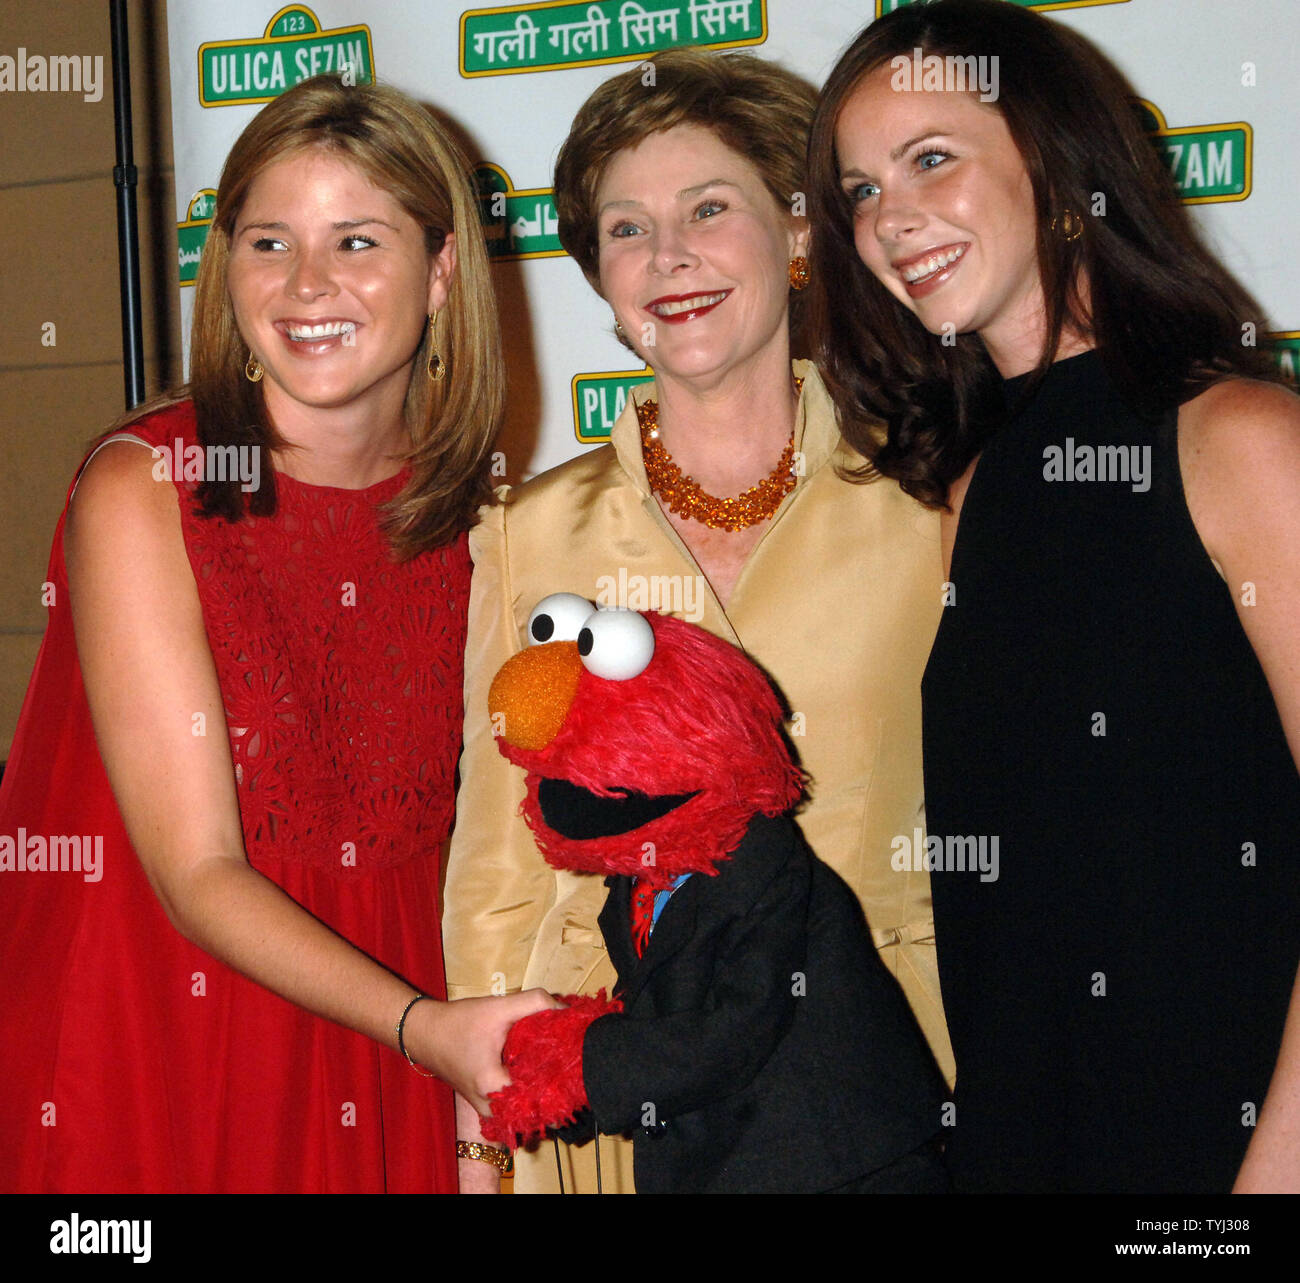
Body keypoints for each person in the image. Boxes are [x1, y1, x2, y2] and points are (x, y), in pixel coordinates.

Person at [0, 74, 552, 1194]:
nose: (308, 284)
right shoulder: (148, 483)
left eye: (357, 240)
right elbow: (197, 871)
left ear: (442, 270)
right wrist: (426, 1030)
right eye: (267, 241)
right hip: (170, 1032)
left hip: (403, 1024)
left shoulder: (482, 513)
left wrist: (463, 1089)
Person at [806, 0, 1300, 1193]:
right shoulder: (968, 489)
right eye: (861, 191)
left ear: (1059, 160)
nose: (890, 220)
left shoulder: (1237, 435)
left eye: (931, 159)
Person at [443, 48, 953, 1194]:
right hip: (611, 1097)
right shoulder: (530, 532)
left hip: (868, 1085)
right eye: (625, 229)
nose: (666, 257)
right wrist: (483, 1133)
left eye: (708, 210)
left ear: (802, 234)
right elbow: (494, 871)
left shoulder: (931, 497)